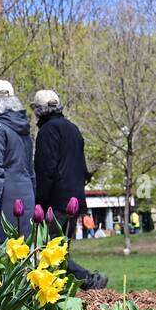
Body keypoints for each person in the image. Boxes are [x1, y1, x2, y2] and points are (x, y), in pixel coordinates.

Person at [31, 88, 107, 289]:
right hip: (74, 200)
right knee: (60, 248)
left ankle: (88, 280)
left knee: (49, 249)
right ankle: (64, 285)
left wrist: (39, 202)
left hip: (55, 201)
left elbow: (45, 170)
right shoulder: (73, 129)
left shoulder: (47, 132)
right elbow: (82, 167)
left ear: (39, 110)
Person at [0, 80, 35, 241]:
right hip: (27, 196)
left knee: (3, 256)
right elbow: (30, 171)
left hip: (6, 199)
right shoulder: (24, 130)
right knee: (25, 254)